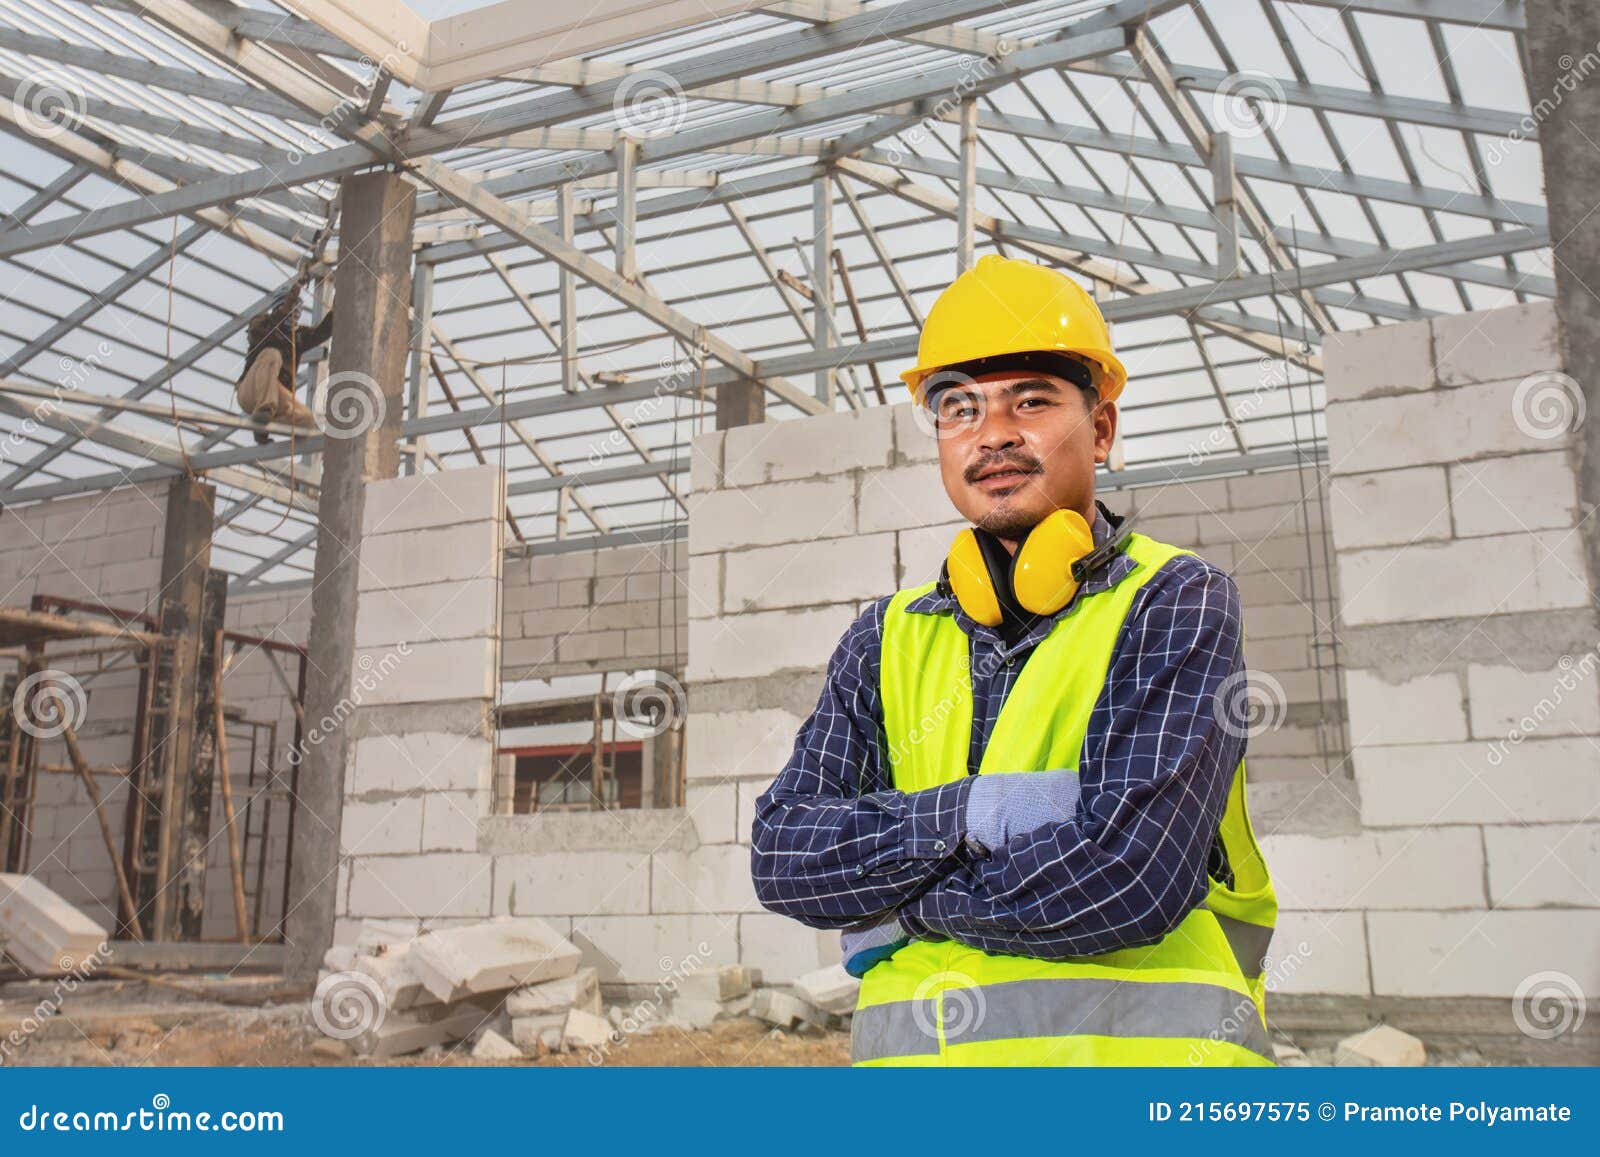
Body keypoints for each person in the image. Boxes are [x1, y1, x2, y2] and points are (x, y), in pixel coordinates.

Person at [750, 255, 1278, 1066]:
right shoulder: (885, 638)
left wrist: (905, 909)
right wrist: (978, 811)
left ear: (1100, 429)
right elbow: (786, 857)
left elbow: (1130, 879)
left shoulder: (1175, 600)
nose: (992, 432)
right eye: (959, 408)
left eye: (1031, 400)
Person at [235, 284, 332, 443]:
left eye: (297, 310)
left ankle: (262, 425)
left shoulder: (297, 337)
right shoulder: (260, 323)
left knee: (307, 420)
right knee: (272, 355)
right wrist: (287, 305)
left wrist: (338, 309)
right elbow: (266, 332)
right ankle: (263, 410)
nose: (294, 314)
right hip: (250, 391)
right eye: (290, 309)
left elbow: (322, 332)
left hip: (276, 394)